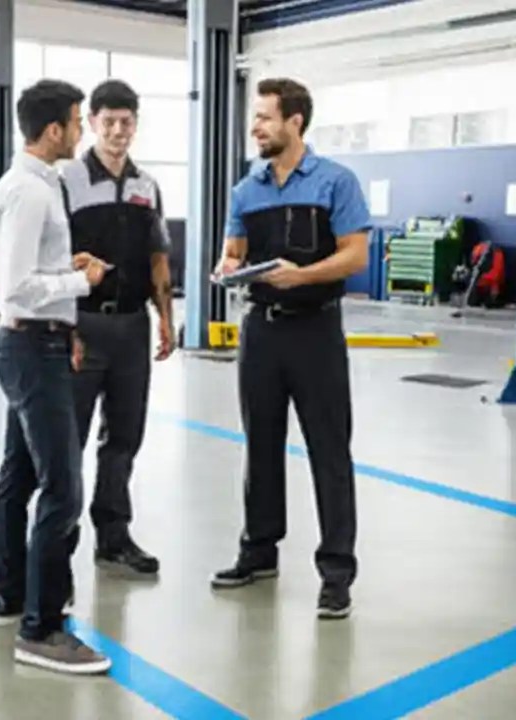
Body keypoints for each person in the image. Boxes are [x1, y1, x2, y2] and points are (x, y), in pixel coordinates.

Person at [210, 77, 371, 620]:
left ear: (295, 122)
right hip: (261, 331)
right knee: (260, 445)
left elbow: (354, 257)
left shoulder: (335, 182)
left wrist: (303, 277)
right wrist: (228, 268)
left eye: (264, 117)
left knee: (329, 450)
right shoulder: (245, 189)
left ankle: (336, 573)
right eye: (255, 118)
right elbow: (234, 252)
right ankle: (258, 552)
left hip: (316, 331)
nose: (256, 126)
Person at [0, 78, 112, 675]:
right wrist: (79, 283)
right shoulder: (32, 192)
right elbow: (12, 287)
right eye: (78, 121)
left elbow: (31, 270)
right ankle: (41, 630)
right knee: (62, 487)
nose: (83, 130)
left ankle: (10, 595)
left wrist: (66, 268)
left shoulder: (31, 185)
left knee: (19, 476)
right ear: (54, 130)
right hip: (34, 349)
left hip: (31, 344)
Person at [58, 79, 175, 576]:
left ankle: (114, 535)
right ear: (90, 123)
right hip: (82, 323)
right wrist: (64, 326)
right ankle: (58, 542)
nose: (118, 131)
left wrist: (166, 318)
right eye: (108, 121)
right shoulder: (66, 180)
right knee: (70, 440)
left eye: (126, 122)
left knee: (124, 436)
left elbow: (157, 257)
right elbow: (50, 257)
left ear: (136, 124)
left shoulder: (147, 187)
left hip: (133, 328)